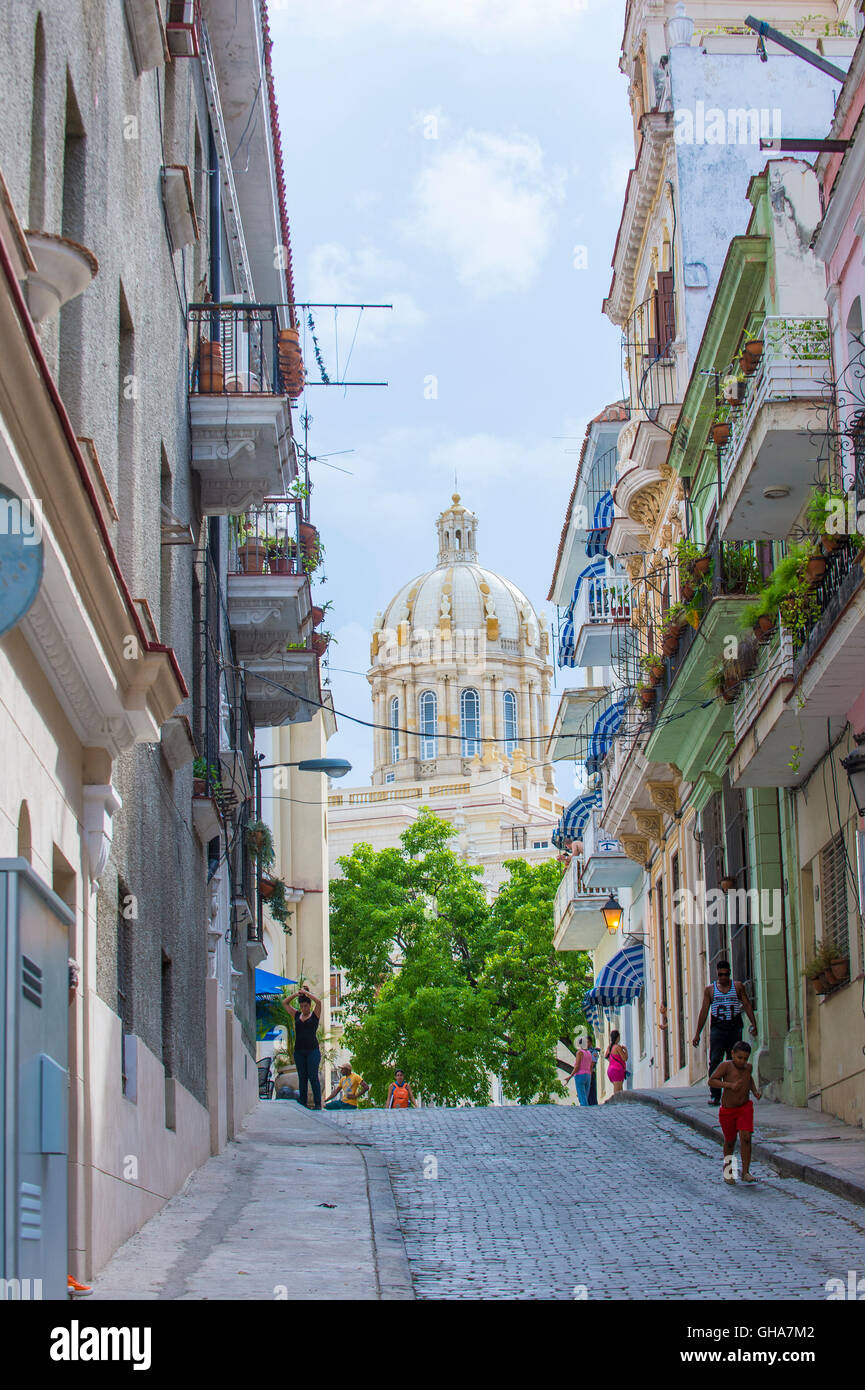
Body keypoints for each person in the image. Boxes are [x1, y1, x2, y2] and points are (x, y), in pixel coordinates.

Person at [692, 959, 758, 1106]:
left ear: (729, 973)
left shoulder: (738, 987)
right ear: (717, 974)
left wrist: (754, 1023)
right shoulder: (710, 990)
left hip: (734, 1027)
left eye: (725, 974)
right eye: (720, 975)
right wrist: (697, 1033)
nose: (723, 978)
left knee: (733, 1061)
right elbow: (704, 1011)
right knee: (715, 1060)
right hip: (718, 1028)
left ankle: (733, 1092)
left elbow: (746, 1004)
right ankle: (715, 1095)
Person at [709, 1040, 761, 1184]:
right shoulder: (726, 1066)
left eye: (745, 1058)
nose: (742, 1061)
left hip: (744, 1108)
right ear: (732, 1054)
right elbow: (712, 1081)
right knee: (730, 1141)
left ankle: (745, 1172)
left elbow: (748, 1080)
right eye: (739, 1057)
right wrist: (729, 1085)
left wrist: (755, 1091)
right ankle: (728, 1171)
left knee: (746, 1138)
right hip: (728, 1110)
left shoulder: (748, 1068)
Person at [284, 987, 322, 1110]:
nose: (304, 1009)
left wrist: (307, 994)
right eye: (302, 1006)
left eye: (306, 1006)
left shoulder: (314, 1015)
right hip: (299, 1051)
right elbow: (285, 1003)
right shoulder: (297, 1015)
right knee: (302, 1077)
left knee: (313, 1076)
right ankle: (303, 1103)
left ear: (309, 1006)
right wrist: (296, 994)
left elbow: (319, 1002)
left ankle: (317, 1103)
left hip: (312, 1050)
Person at [567, 1039, 594, 1106]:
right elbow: (591, 1066)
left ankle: (584, 1111)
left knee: (582, 1097)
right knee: (585, 1095)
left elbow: (577, 1066)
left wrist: (570, 1076)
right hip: (588, 1075)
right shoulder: (589, 1053)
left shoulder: (579, 1053)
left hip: (580, 1075)